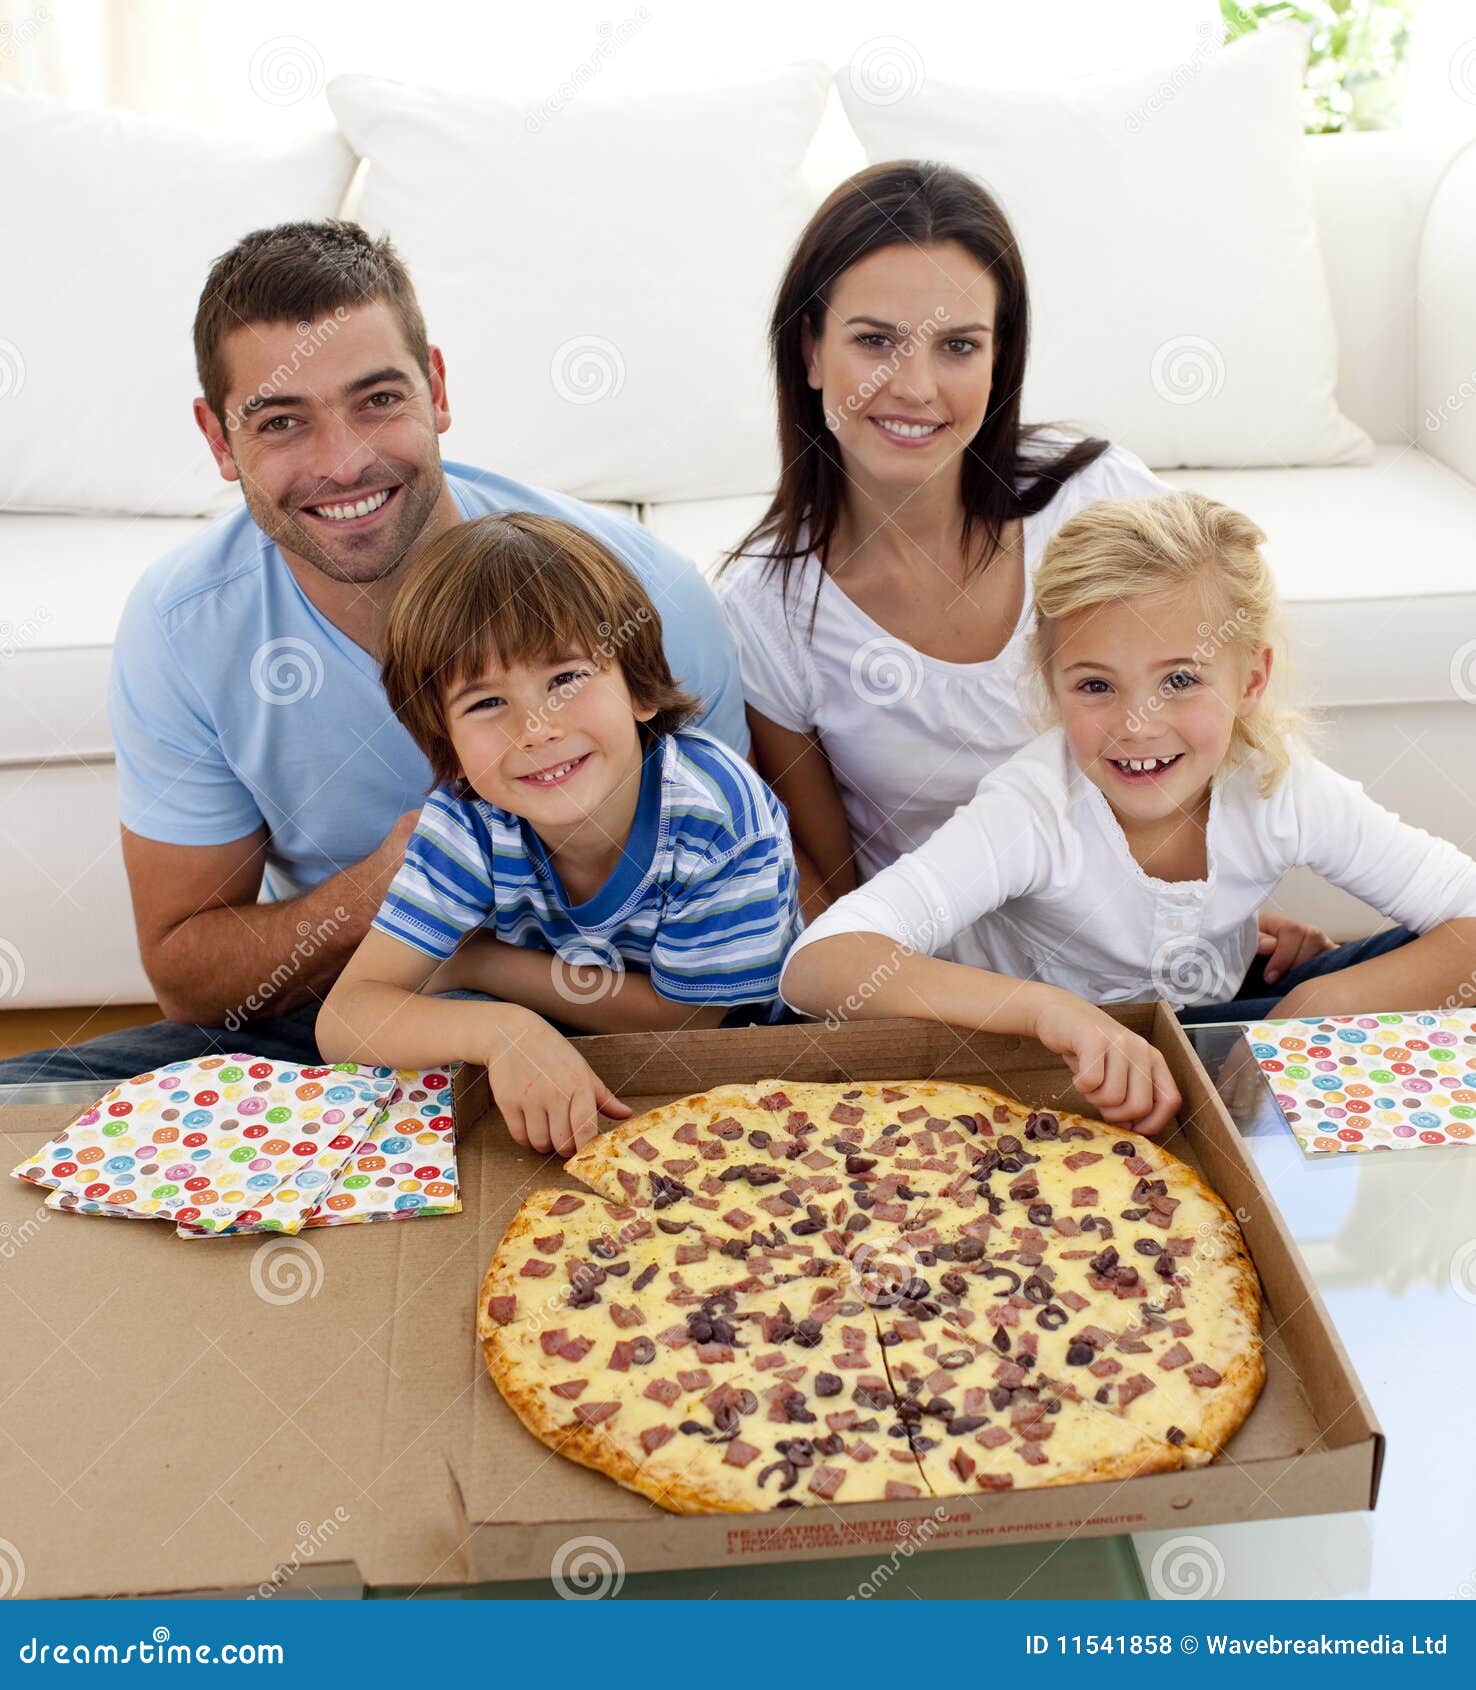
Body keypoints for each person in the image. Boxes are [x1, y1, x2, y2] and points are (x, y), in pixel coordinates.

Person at [0, 221, 748, 1086]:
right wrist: (390, 884)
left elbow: (727, 904)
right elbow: (187, 977)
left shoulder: (639, 590)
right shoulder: (182, 627)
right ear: (217, 440)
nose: (345, 462)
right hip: (357, 1017)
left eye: (378, 400)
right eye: (282, 422)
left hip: (621, 1019)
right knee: (25, 1104)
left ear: (435, 388)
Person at [717, 159, 1328, 987]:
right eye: (874, 341)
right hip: (966, 1003)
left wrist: (1211, 909)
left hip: (1153, 971)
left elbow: (1216, 718)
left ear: (1000, 359)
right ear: (810, 351)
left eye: (958, 345)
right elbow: (829, 884)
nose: (917, 386)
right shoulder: (768, 609)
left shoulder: (1095, 498)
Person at [778, 492, 1476, 1137]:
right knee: (792, 1024)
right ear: (1052, 685)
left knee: (1393, 967)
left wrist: (1315, 1010)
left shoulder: (1278, 784)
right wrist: (1048, 1010)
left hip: (1206, 1021)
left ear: (1250, 681)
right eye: (1095, 686)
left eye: (1180, 679)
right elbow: (818, 964)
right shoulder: (1035, 806)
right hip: (1039, 1060)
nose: (1138, 725)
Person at [316, 512, 801, 1156]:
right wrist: (501, 1032)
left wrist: (477, 960)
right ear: (449, 744)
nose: (535, 728)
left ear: (638, 685)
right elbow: (345, 1019)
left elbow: (686, 1023)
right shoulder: (468, 820)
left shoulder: (716, 817)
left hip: (735, 1070)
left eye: (566, 679)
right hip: (552, 1052)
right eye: (486, 703)